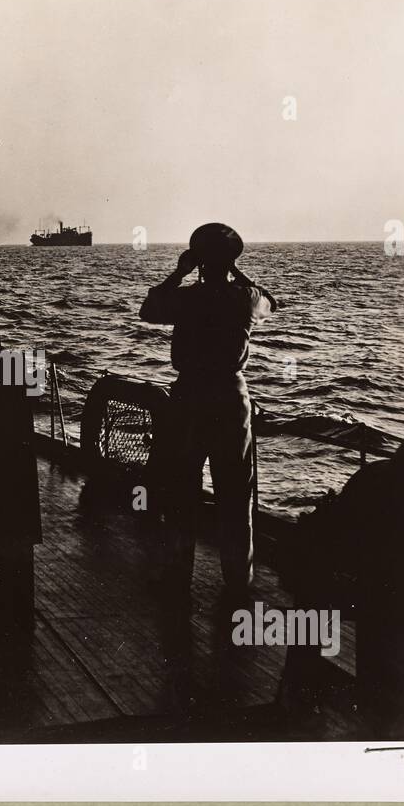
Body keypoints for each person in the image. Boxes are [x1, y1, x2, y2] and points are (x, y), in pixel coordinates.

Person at [139, 223, 276, 610]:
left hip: (188, 397)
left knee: (181, 491)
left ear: (197, 259)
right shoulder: (245, 297)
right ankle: (238, 583)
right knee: (235, 493)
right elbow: (271, 301)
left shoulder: (185, 299)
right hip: (231, 397)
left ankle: (177, 577)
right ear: (233, 259)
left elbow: (148, 310)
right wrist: (236, 271)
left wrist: (181, 271)